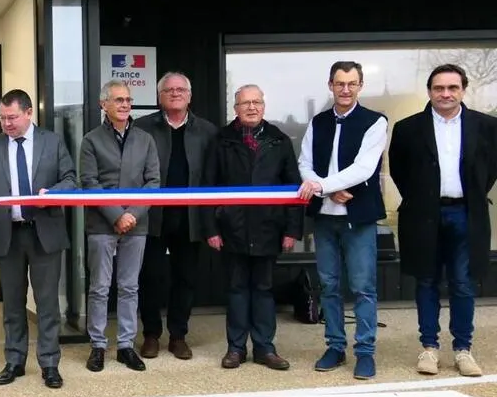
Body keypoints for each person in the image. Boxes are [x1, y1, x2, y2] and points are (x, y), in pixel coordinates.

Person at [388, 63, 497, 377]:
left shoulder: (486, 126)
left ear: (463, 90)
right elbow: (399, 172)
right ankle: (429, 348)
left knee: (463, 284)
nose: (445, 94)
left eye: (452, 88)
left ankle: (463, 349)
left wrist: (472, 194)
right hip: (425, 216)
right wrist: (422, 199)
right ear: (430, 92)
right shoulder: (408, 128)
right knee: (427, 281)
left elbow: (490, 170)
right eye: (439, 88)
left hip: (466, 214)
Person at [0, 89, 77, 389]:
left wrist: (53, 194)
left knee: (47, 304)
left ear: (29, 113)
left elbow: (71, 179)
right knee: (13, 304)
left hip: (45, 232)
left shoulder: (52, 142)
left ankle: (50, 363)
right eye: (2, 118)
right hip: (9, 235)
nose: (6, 123)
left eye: (12, 117)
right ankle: (14, 360)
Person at [298, 61, 388, 380]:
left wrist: (325, 185)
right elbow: (305, 163)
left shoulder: (375, 121)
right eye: (340, 83)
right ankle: (335, 346)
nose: (345, 89)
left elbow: (365, 168)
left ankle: (365, 352)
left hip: (358, 217)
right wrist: (324, 188)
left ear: (360, 86)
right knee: (329, 285)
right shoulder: (318, 122)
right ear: (331, 85)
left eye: (352, 83)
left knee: (363, 286)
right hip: (325, 218)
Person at [202, 85, 302, 369]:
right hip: (231, 228)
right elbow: (208, 187)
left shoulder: (278, 140)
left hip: (269, 228)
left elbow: (293, 187)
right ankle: (235, 349)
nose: (251, 107)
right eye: (245, 103)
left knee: (263, 289)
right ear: (235, 108)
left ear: (264, 106)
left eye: (256, 102)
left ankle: (264, 348)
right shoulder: (221, 140)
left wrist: (292, 230)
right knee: (235, 289)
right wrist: (211, 228)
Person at [134, 71, 217, 360]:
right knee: (150, 277)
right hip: (152, 217)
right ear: (160, 96)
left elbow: (214, 177)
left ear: (190, 96)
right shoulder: (142, 128)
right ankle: (152, 335)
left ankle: (179, 335)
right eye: (169, 90)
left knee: (186, 278)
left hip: (191, 219)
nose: (175, 93)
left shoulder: (207, 131)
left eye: (181, 89)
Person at [79, 80, 159, 373]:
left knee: (129, 287)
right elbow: (89, 183)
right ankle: (98, 346)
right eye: (118, 100)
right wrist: (116, 215)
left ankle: (126, 346)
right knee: (99, 288)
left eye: (128, 100)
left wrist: (133, 214)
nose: (125, 105)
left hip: (137, 225)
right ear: (104, 105)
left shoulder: (145, 139)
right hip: (101, 225)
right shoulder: (91, 140)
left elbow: (153, 183)